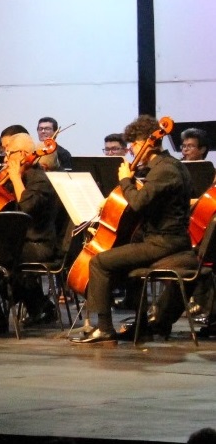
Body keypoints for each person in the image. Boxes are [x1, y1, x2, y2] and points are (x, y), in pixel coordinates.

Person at [71, 114, 193, 343]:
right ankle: (142, 325)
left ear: (147, 142)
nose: (132, 151)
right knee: (124, 260)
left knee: (99, 262)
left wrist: (125, 180)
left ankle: (104, 328)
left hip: (163, 242)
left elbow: (137, 203)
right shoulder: (168, 166)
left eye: (133, 145)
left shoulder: (165, 170)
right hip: (163, 239)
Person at [0, 130, 63, 330]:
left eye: (10, 153)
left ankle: (0, 315)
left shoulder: (39, 180)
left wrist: (15, 177)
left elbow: (26, 209)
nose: (5, 158)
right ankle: (34, 306)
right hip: (19, 243)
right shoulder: (18, 177)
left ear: (23, 154)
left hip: (39, 244)